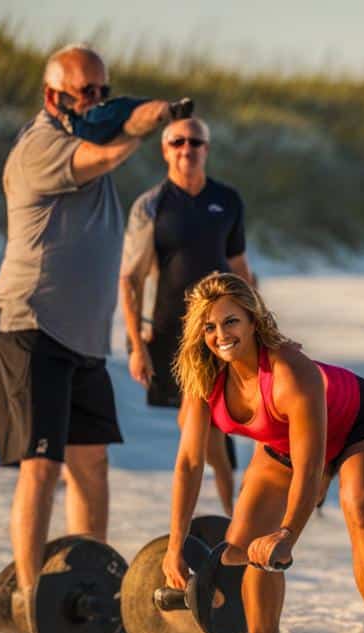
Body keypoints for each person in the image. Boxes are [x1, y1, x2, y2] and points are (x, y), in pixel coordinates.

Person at [0, 44, 171, 633]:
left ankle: (87, 579)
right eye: (84, 92)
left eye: (102, 91)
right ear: (52, 96)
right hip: (29, 326)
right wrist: (142, 122)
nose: (95, 101)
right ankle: (34, 594)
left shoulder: (86, 129)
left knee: (92, 467)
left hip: (84, 340)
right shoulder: (41, 146)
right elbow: (105, 155)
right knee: (42, 464)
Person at [160, 273, 364, 633]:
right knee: (241, 548)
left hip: (359, 427)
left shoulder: (289, 371)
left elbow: (311, 467)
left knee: (359, 505)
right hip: (283, 447)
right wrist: (175, 545)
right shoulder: (204, 379)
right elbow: (190, 462)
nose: (220, 334)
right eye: (209, 326)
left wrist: (288, 532)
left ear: (253, 321)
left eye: (231, 321)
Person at [120, 116, 254, 517]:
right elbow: (130, 278)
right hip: (168, 332)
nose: (186, 149)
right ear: (165, 150)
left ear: (206, 149)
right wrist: (135, 345)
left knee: (210, 416)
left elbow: (240, 266)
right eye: (177, 142)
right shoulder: (151, 205)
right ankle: (224, 512)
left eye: (194, 142)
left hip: (221, 331)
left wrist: (255, 324)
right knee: (195, 419)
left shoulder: (227, 201)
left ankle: (228, 514)